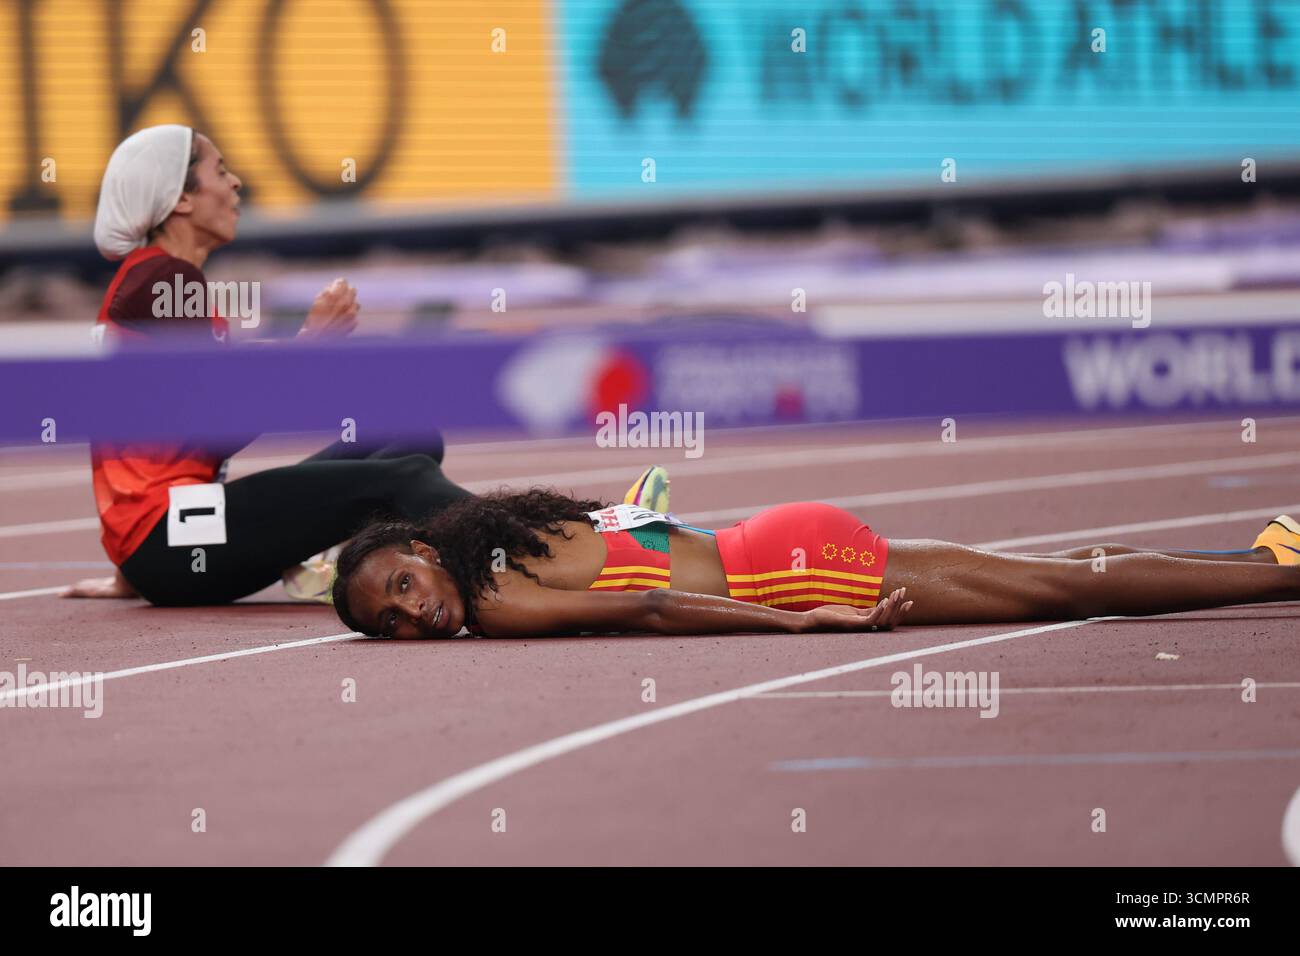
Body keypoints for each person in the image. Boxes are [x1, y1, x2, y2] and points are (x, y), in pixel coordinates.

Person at [63, 124, 659, 606]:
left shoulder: (154, 282)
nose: (237, 181)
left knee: (407, 437)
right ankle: (565, 551)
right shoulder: (161, 282)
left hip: (170, 537)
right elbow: (222, 425)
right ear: (182, 197)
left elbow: (141, 437)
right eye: (221, 171)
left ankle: (339, 566)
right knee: (399, 480)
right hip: (173, 538)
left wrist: (130, 564)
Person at [330, 492, 1300, 638]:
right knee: (1051, 569)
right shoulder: (511, 529)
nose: (416, 612)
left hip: (789, 577)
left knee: (1061, 585)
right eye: (393, 618)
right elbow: (648, 546)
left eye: (402, 585)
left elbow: (654, 604)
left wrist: (797, 622)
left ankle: (1282, 574)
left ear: (419, 548)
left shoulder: (496, 597)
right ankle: (1274, 556)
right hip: (781, 537)